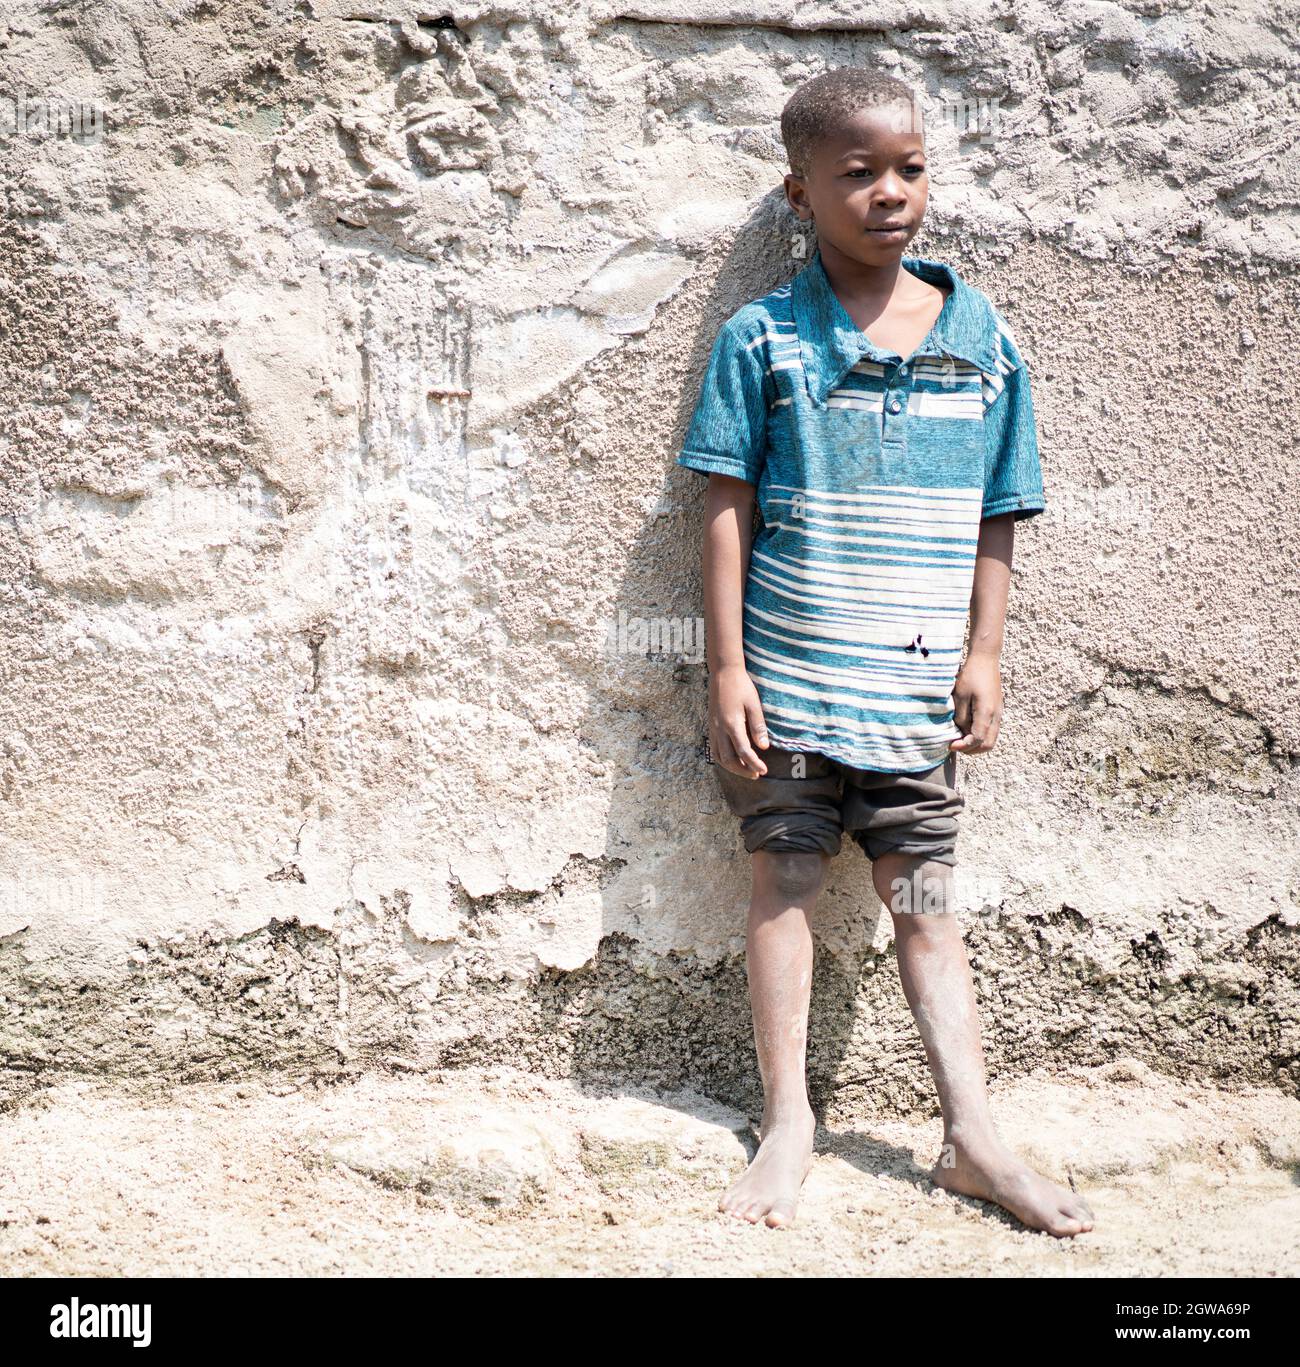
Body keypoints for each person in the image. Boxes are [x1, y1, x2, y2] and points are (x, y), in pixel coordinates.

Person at [676, 66, 1095, 1237]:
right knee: (786, 882)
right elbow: (722, 501)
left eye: (907, 167)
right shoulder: (763, 341)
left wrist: (986, 652)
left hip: (914, 691)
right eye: (855, 173)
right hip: (793, 686)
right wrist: (727, 669)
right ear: (798, 192)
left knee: (926, 899)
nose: (888, 192)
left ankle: (971, 1134)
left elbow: (1001, 505)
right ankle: (788, 1121)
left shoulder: (981, 341)